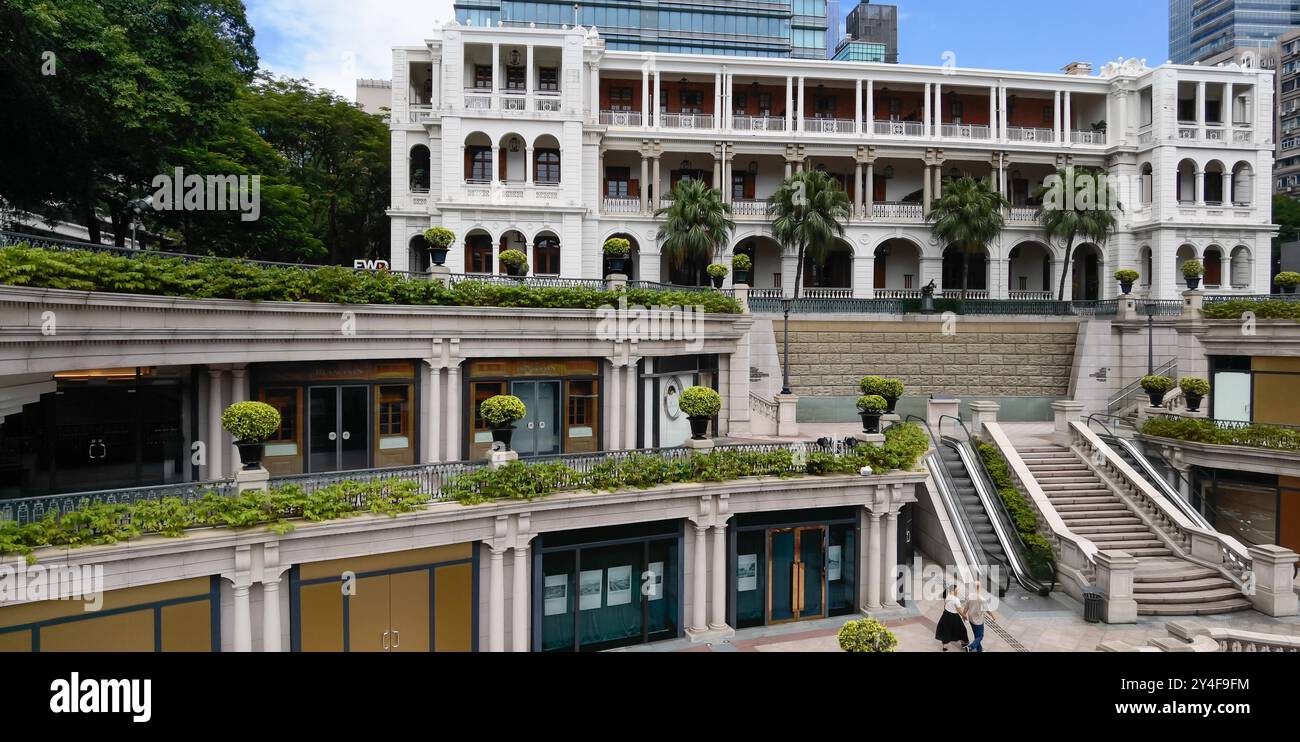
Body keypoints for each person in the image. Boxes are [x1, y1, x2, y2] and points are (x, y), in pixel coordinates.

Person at [934, 584, 969, 651]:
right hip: (954, 617)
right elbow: (960, 611)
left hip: (946, 614)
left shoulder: (948, 596)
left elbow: (945, 605)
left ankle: (945, 647)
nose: (958, 591)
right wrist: (965, 616)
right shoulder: (956, 599)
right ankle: (964, 643)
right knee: (962, 629)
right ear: (953, 590)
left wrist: (944, 612)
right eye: (957, 590)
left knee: (946, 630)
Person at [963, 582, 994, 653]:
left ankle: (979, 649)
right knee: (980, 636)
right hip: (978, 621)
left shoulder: (970, 596)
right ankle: (970, 647)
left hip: (971, 619)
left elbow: (965, 607)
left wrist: (964, 615)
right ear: (979, 588)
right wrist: (993, 616)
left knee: (976, 635)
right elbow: (987, 610)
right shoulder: (982, 599)